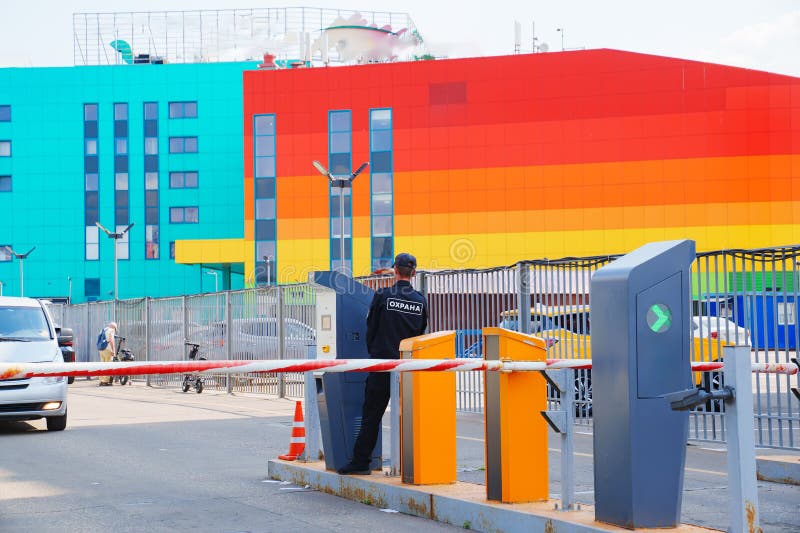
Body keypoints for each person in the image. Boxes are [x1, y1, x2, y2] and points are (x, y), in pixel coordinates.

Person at [337, 253, 428, 475]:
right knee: (409, 414)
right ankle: (414, 463)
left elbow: (371, 327)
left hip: (382, 364)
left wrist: (374, 352)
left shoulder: (383, 295)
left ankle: (361, 462)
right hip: (407, 366)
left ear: (395, 270)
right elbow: (420, 333)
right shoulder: (420, 301)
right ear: (414, 273)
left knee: (372, 414)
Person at [97, 321, 117, 386]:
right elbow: (111, 340)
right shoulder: (111, 330)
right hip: (108, 349)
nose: (115, 330)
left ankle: (101, 380)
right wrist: (113, 350)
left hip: (101, 349)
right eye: (115, 329)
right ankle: (106, 381)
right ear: (113, 327)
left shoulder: (103, 330)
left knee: (102, 364)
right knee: (108, 365)